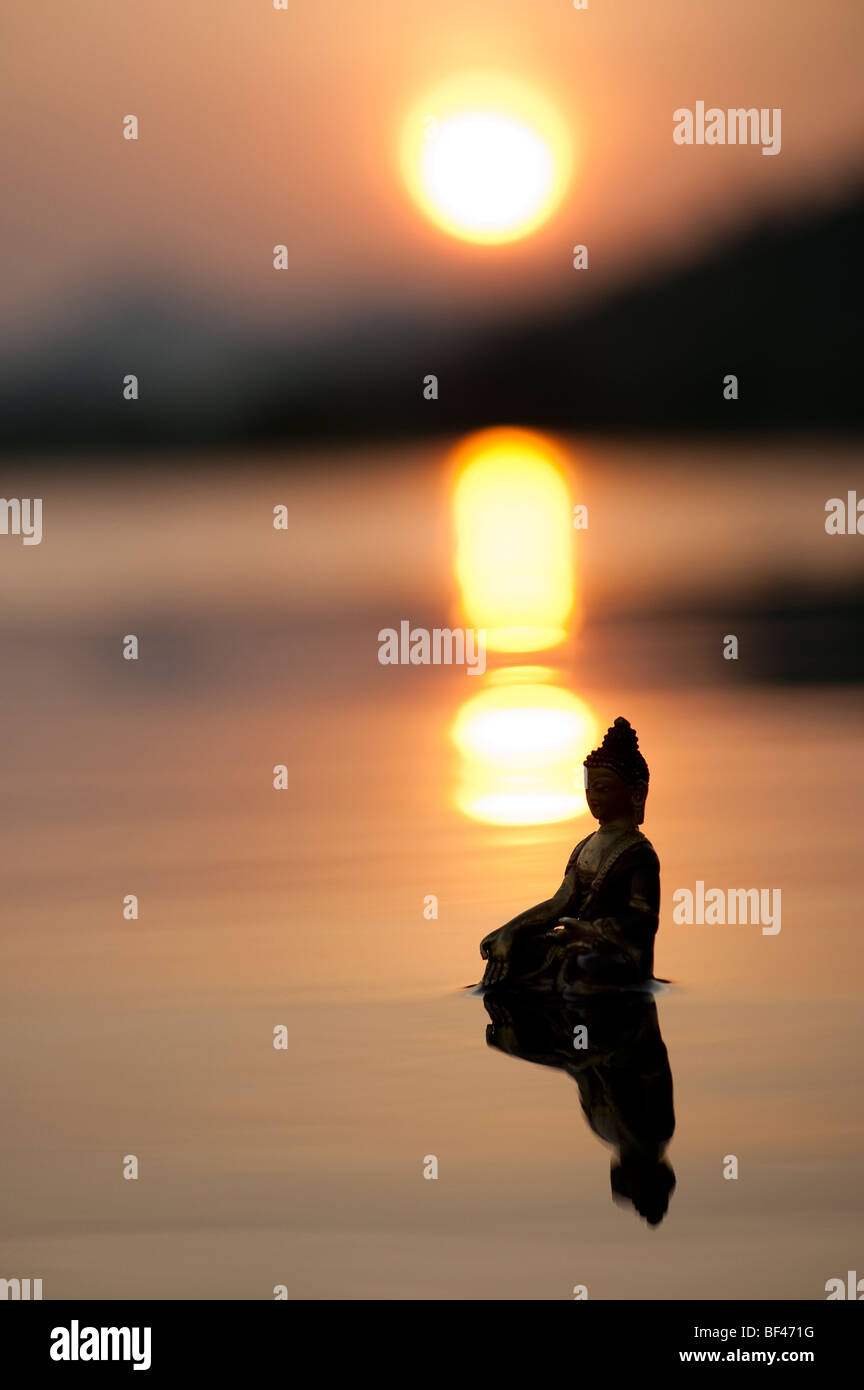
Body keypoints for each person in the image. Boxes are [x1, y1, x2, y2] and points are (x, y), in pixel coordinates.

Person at [480, 716, 660, 993]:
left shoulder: (639, 854)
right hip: (576, 941)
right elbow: (561, 903)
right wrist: (510, 930)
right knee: (519, 952)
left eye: (602, 788)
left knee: (581, 966)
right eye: (588, 788)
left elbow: (643, 921)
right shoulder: (586, 846)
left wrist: (593, 931)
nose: (592, 797)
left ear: (636, 794)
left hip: (618, 953)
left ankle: (581, 1029)